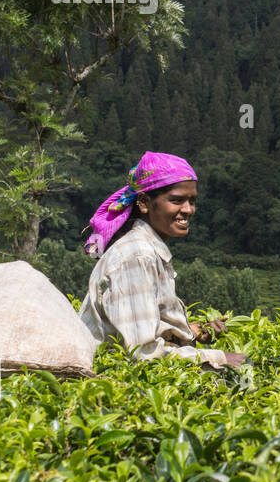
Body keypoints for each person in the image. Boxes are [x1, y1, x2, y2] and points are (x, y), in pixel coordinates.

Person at [79, 151, 246, 370]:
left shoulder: (146, 250)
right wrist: (217, 357)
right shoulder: (137, 256)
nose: (187, 210)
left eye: (192, 201)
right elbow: (143, 354)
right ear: (144, 202)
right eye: (177, 200)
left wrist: (189, 334)